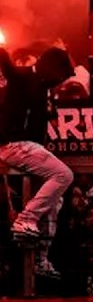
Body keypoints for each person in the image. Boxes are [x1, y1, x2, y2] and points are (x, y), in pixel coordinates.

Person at [0, 45, 76, 271]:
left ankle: (39, 259)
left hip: (29, 147)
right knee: (63, 175)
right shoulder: (23, 77)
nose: (62, 81)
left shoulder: (43, 87)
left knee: (55, 199)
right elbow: (7, 65)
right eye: (62, 75)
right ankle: (26, 218)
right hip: (15, 144)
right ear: (52, 68)